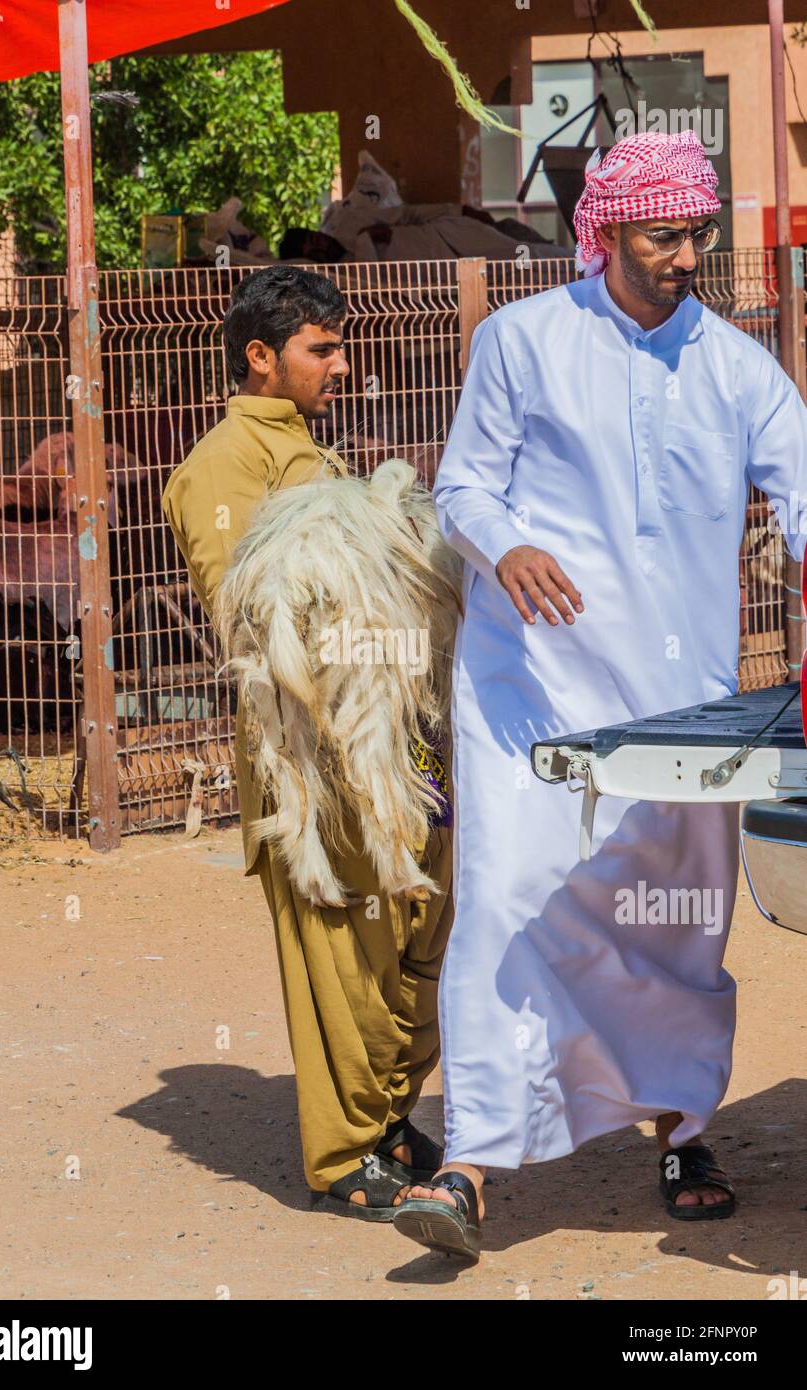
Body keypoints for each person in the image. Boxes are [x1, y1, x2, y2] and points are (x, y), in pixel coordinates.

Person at [393, 129, 807, 1263]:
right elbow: (463, 482)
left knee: (671, 914)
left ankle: (678, 1129)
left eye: (695, 234)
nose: (684, 256)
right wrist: (507, 546)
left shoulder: (734, 365)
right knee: (503, 898)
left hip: (679, 697)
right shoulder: (521, 342)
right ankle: (468, 1163)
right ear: (604, 233)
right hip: (527, 687)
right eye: (661, 235)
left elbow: (802, 483)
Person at [162, 266, 453, 1219]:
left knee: (415, 926)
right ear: (261, 357)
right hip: (306, 754)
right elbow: (248, 613)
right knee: (339, 948)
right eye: (319, 349)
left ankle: (388, 1115)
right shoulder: (220, 464)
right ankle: (342, 1154)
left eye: (337, 345)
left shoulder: (314, 457)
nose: (338, 362)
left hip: (386, 739)